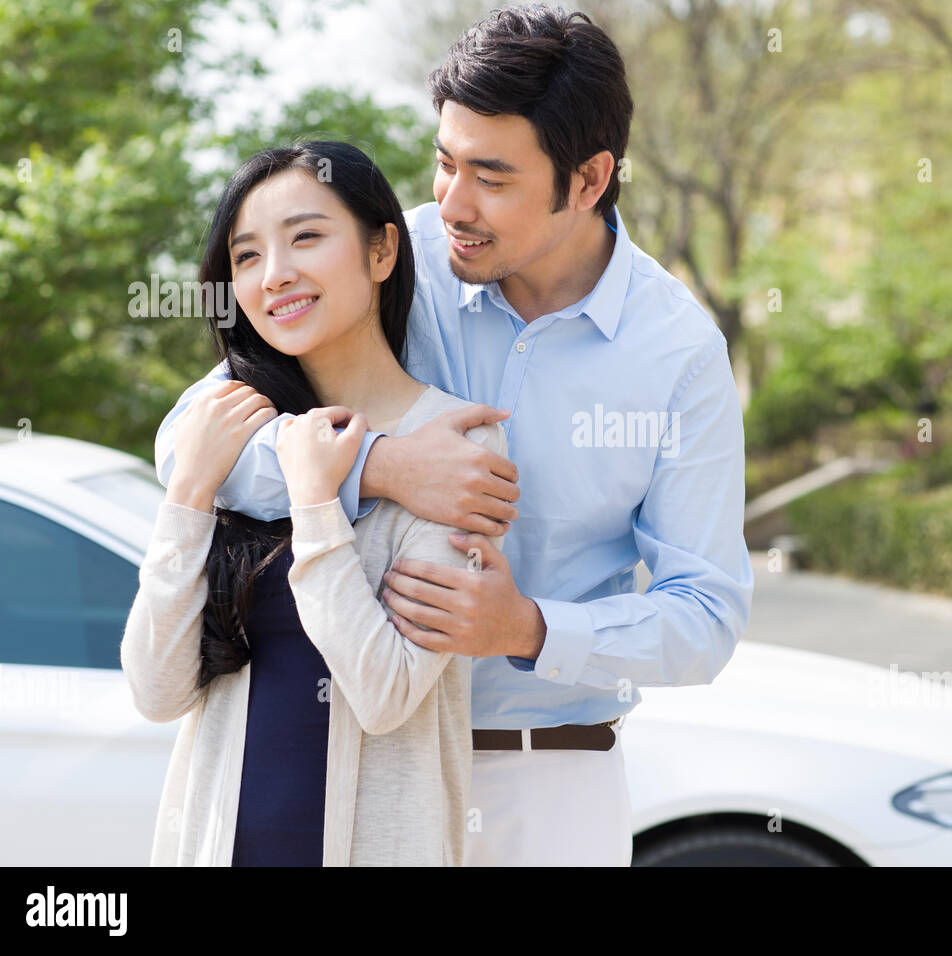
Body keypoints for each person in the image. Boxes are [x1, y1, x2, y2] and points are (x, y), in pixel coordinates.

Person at [153, 4, 753, 866]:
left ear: (588, 180)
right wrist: (380, 467)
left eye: (492, 176)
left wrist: (528, 628)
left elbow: (707, 617)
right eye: (445, 162)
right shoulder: (395, 258)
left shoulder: (679, 355)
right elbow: (190, 445)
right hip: (357, 765)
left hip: (546, 786)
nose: (452, 201)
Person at [122, 141, 505, 866]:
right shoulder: (226, 432)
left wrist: (316, 500)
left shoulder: (456, 443)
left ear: (382, 250)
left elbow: (386, 691)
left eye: (306, 237)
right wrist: (189, 495)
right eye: (247, 256)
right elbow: (156, 691)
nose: (276, 275)